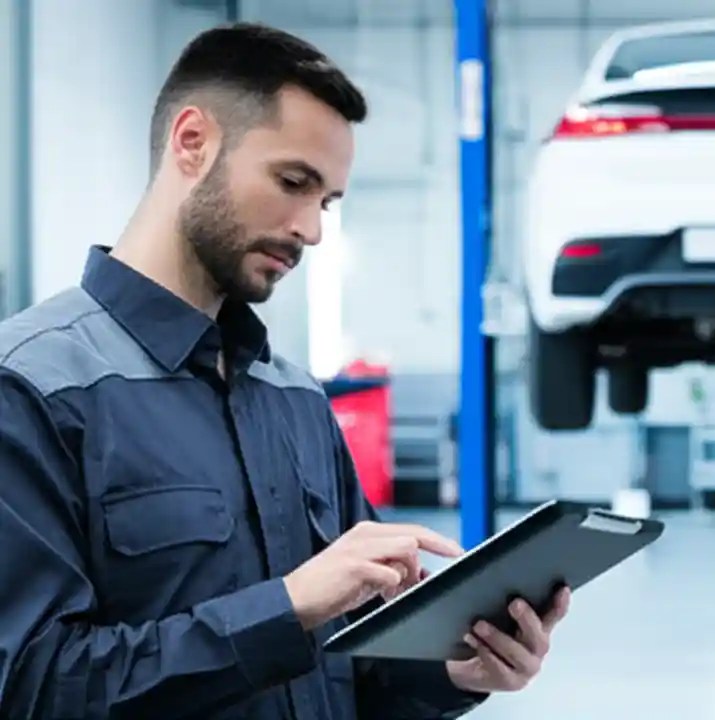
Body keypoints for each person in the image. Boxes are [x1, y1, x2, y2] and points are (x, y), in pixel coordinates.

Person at [0, 22, 569, 719]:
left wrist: (453, 670)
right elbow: (33, 688)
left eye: (326, 200)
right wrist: (287, 606)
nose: (312, 229)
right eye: (293, 182)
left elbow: (354, 666)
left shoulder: (294, 397)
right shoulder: (31, 388)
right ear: (192, 143)